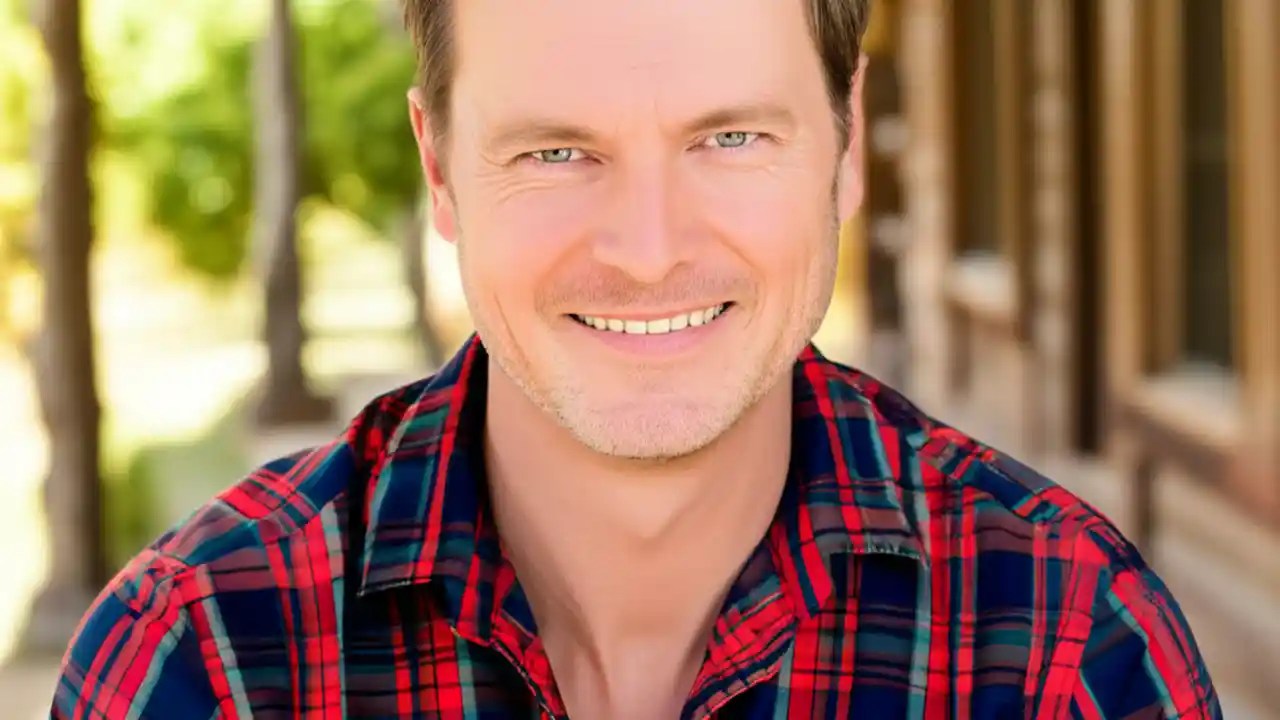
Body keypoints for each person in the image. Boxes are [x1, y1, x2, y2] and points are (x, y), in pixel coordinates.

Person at [52, 0, 1221, 717]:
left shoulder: (1067, 649)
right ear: (441, 165)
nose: (648, 252)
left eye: (729, 138)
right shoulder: (204, 660)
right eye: (558, 152)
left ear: (846, 146)